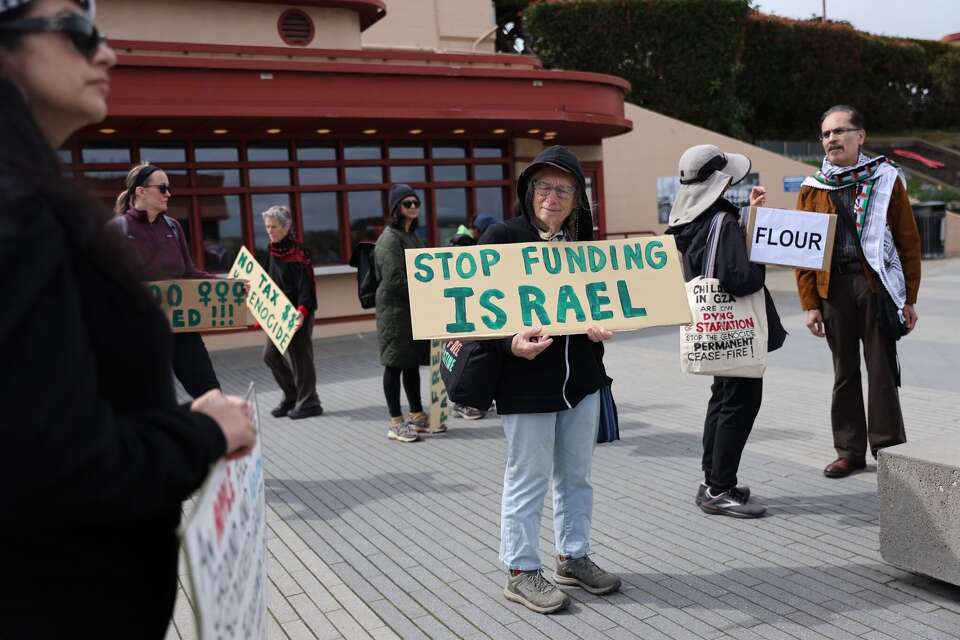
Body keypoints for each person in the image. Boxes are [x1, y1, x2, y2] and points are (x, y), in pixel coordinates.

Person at [0, 1, 256, 638]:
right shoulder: (20, 214)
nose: (108, 54)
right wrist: (199, 439)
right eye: (81, 32)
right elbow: (54, 463)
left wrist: (220, 288)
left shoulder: (36, 198)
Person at [479, 146, 620, 614]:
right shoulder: (503, 236)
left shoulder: (585, 246)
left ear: (577, 198)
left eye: (564, 189)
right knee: (527, 477)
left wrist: (600, 327)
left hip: (580, 381)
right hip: (525, 384)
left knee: (576, 476)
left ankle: (572, 556)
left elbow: (600, 308)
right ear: (528, 190)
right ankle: (520, 570)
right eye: (544, 186)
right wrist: (508, 343)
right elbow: (472, 310)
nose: (552, 196)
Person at [795, 105, 921, 478]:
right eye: (826, 134)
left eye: (839, 131)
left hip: (875, 288)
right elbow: (802, 250)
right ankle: (849, 451)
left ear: (860, 136)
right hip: (832, 287)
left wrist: (909, 298)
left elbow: (908, 240)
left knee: (881, 370)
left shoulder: (886, 179)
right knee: (843, 372)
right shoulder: (813, 187)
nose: (831, 139)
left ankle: (888, 449)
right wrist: (810, 304)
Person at [666, 144, 787, 518]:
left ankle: (714, 480)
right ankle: (720, 489)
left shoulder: (687, 220)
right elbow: (740, 278)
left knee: (721, 400)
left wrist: (752, 217)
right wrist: (758, 254)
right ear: (719, 180)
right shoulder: (721, 220)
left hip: (710, 329)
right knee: (739, 403)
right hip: (736, 330)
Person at [111, 161, 221, 398]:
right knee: (149, 403)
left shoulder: (174, 227)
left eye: (168, 188)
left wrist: (225, 284)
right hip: (140, 332)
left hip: (181, 326)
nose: (168, 194)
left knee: (212, 395)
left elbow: (189, 273)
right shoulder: (117, 229)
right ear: (141, 191)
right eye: (162, 188)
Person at [375, 184, 434, 442]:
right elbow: (395, 280)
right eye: (406, 203)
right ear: (395, 208)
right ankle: (395, 421)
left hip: (411, 310)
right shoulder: (390, 238)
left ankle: (417, 414)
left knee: (410, 363)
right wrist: (427, 292)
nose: (412, 207)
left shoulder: (411, 235)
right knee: (394, 364)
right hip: (395, 312)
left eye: (415, 203)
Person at [261, 204, 323, 419]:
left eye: (274, 226)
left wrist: (302, 312)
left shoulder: (299, 253)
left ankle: (310, 402)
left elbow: (306, 288)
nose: (270, 231)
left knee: (300, 358)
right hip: (279, 313)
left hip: (299, 312)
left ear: (286, 227)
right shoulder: (271, 250)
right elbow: (266, 282)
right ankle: (292, 395)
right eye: (267, 226)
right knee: (270, 355)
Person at [448, 212, 497, 420]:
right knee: (465, 359)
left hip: (469, 310)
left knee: (471, 357)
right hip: (463, 312)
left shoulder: (465, 241)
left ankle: (471, 399)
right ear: (478, 230)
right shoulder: (464, 245)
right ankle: (462, 403)